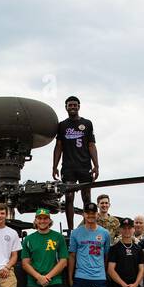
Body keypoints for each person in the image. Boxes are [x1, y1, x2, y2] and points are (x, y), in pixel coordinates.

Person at [52, 95, 98, 231]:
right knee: (69, 197)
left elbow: (91, 145)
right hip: (68, 166)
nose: (72, 107)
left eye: (75, 105)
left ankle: (87, 227)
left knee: (86, 197)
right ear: (66, 107)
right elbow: (59, 146)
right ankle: (71, 229)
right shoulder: (62, 125)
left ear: (79, 106)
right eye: (70, 105)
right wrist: (54, 166)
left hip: (84, 165)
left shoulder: (87, 123)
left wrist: (96, 165)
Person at [20, 209, 70, 287]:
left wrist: (47, 277)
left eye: (45, 218)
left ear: (49, 220)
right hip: (34, 284)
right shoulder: (28, 239)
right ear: (36, 221)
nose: (42, 221)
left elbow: (63, 261)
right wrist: (39, 277)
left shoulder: (58, 237)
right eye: (40, 218)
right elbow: (25, 263)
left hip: (54, 282)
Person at [68, 203, 110, 287]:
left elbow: (106, 255)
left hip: (99, 277)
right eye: (88, 213)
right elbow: (72, 256)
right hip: (81, 276)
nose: (90, 215)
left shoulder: (105, 233)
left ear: (97, 214)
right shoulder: (76, 233)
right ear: (83, 214)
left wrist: (103, 272)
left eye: (93, 213)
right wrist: (70, 278)